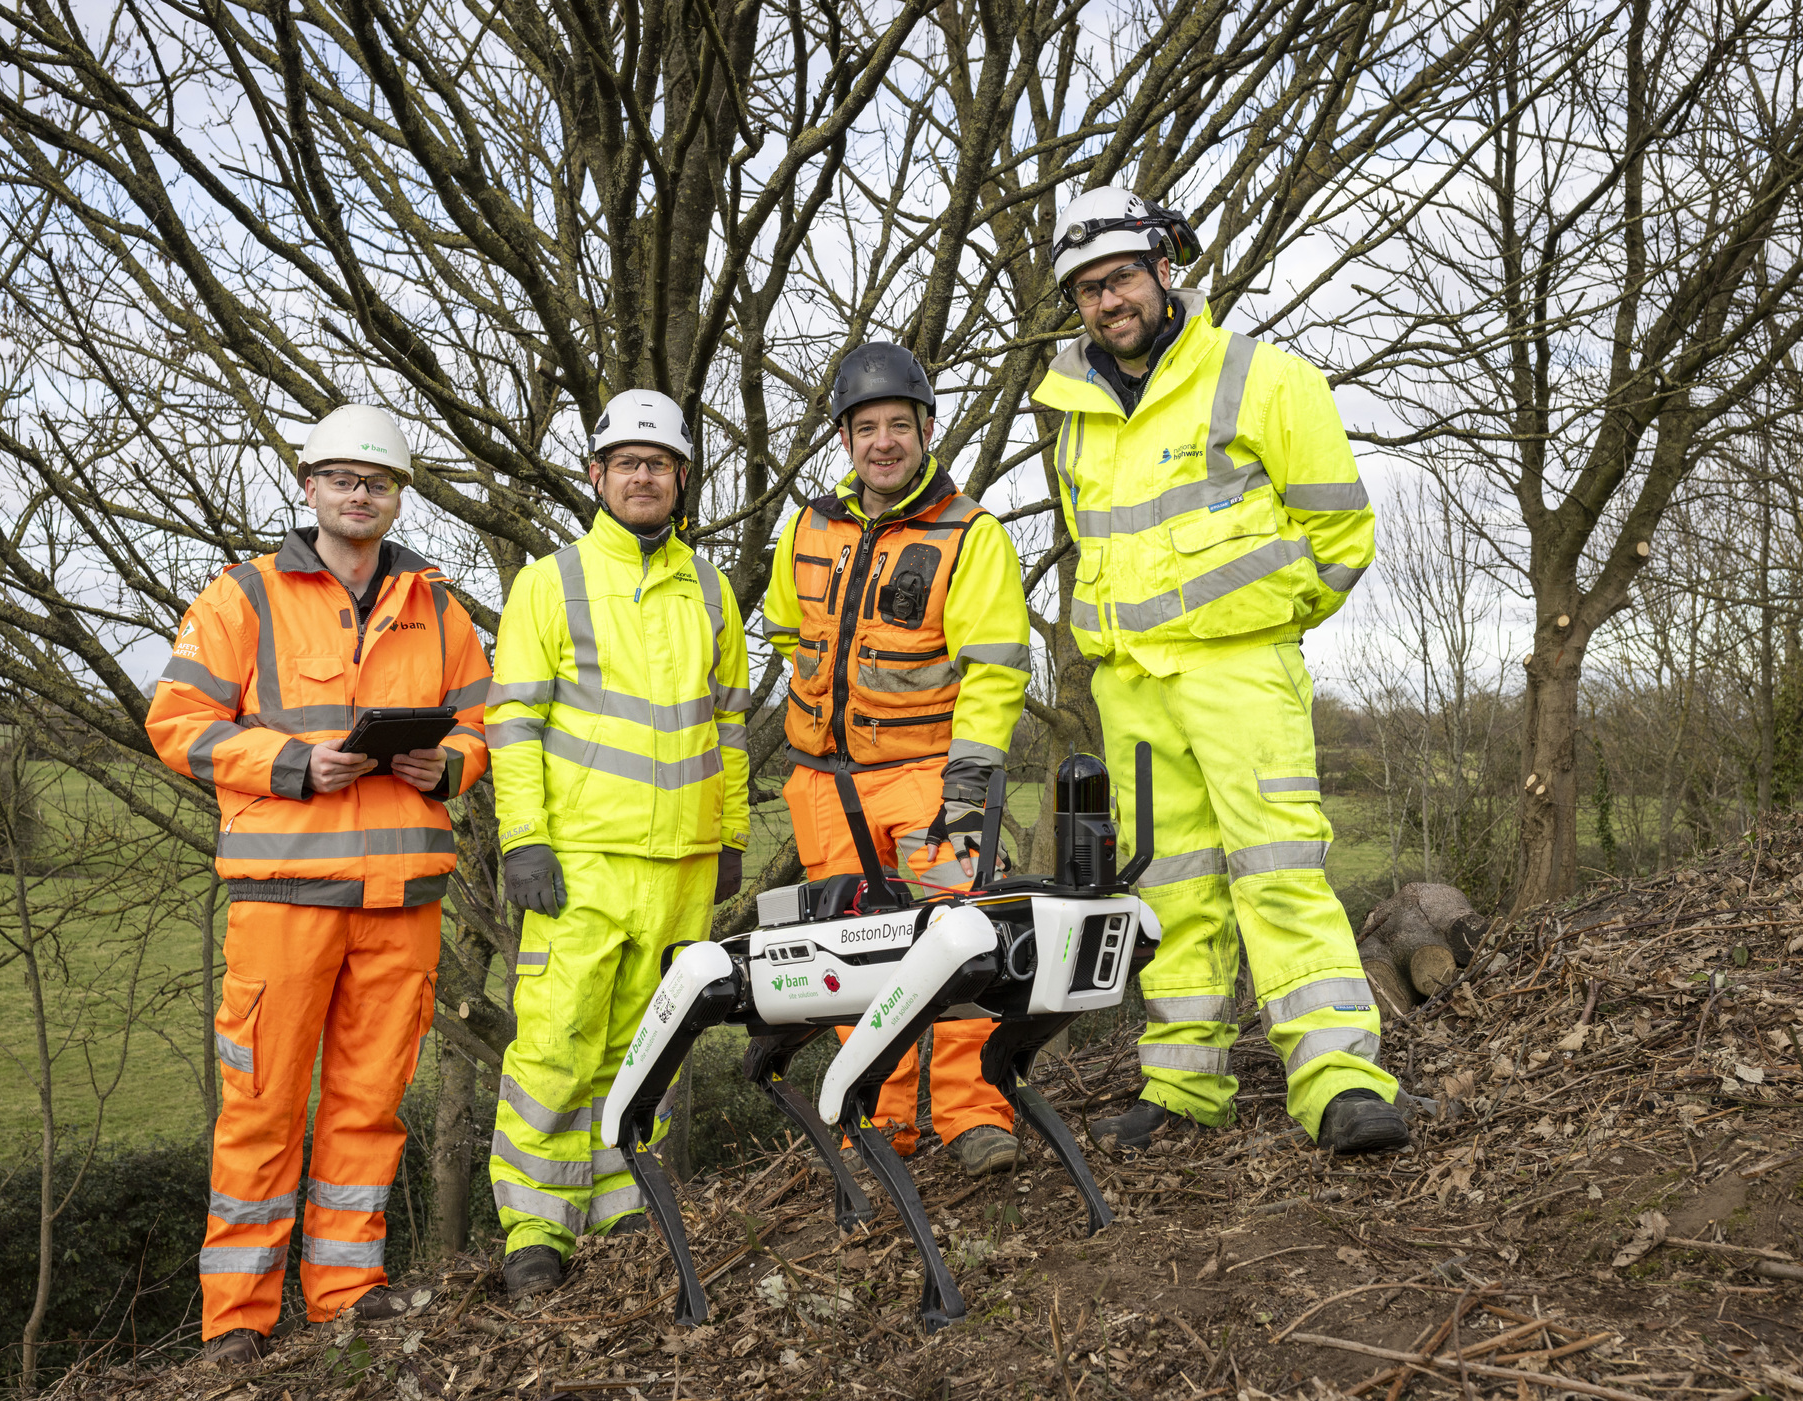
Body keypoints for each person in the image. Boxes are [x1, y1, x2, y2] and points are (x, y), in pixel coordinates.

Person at [1033, 185, 1405, 1155]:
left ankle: (1336, 1083)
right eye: (1084, 289)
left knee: (1277, 869)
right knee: (1169, 890)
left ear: (1164, 269)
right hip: (1129, 690)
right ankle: (1181, 1084)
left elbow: (1338, 535)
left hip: (1239, 677)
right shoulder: (1069, 411)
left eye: (1117, 278)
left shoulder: (1263, 378)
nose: (1105, 302)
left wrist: (1267, 622)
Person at [147, 405, 492, 1363]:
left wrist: (450, 766)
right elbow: (178, 722)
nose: (359, 495)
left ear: (397, 495)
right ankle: (239, 1322)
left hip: (401, 904)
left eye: (376, 482)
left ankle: (347, 1291)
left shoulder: (436, 604)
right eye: (342, 478)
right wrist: (295, 764)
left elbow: (486, 722)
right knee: (261, 1109)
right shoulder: (241, 597)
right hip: (284, 902)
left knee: (369, 1104)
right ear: (309, 486)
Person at [485, 389, 752, 1300]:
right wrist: (523, 840)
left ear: (682, 479)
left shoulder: (712, 590)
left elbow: (730, 724)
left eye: (661, 463)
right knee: (555, 1045)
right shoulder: (548, 581)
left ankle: (618, 1200)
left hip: (680, 865)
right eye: (627, 462)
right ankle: (534, 1226)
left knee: (646, 1049)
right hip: (582, 861)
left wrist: (732, 835)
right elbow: (512, 722)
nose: (644, 476)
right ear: (597, 475)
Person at [761, 343, 1033, 1179]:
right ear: (844, 437)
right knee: (848, 958)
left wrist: (969, 784)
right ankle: (878, 1115)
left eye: (898, 425)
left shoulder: (970, 533)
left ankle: (971, 1113)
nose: (883, 441)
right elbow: (782, 626)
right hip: (824, 784)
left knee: (960, 945)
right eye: (865, 427)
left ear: (925, 429)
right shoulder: (808, 528)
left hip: (930, 778)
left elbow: (995, 667)